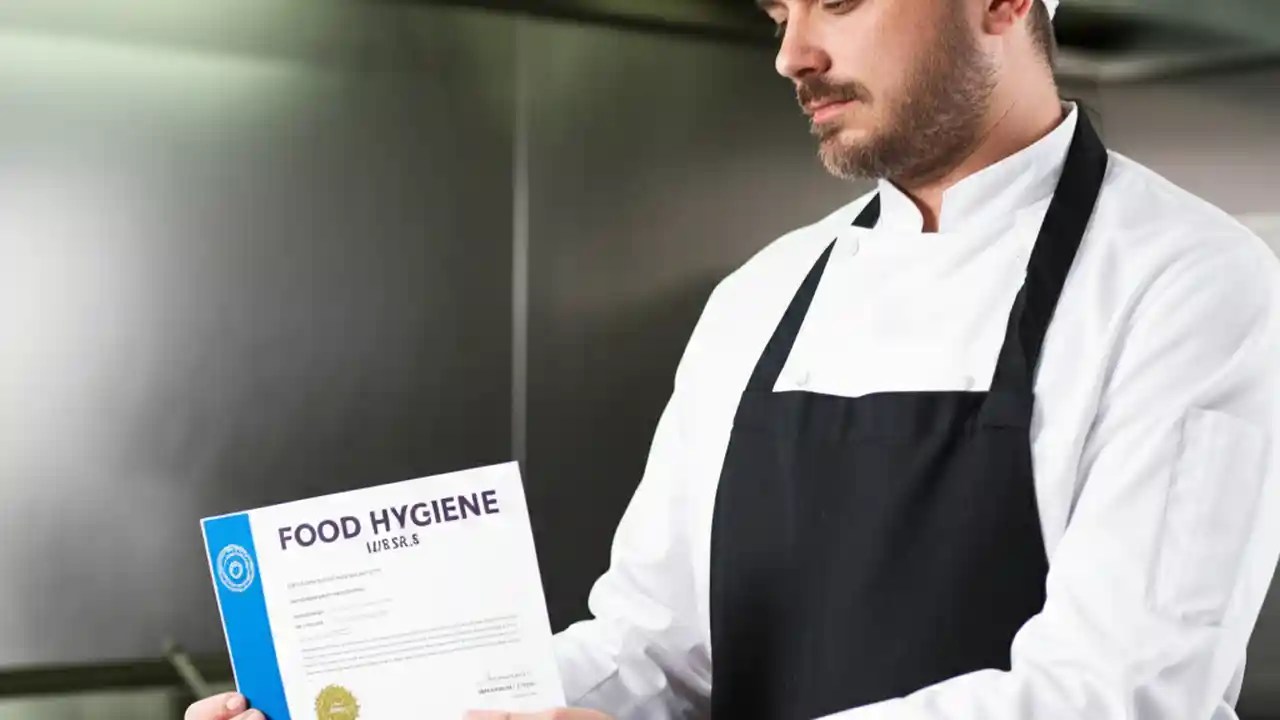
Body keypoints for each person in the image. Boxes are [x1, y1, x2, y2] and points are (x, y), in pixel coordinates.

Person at [188, 0, 1280, 718]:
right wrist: (381, 704)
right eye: (777, 11)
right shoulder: (763, 295)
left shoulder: (1185, 280)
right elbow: (656, 648)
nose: (791, 54)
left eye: (837, 1)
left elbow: (1123, 694)